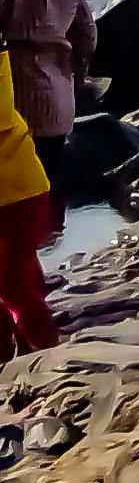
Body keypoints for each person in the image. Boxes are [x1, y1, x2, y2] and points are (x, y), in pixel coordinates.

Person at [0, 0, 92, 220]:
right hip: (55, 101)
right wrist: (76, 82)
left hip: (11, 112)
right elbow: (84, 28)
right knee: (44, 212)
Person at [0, 61, 51, 354]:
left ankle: (40, 356)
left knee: (14, 285)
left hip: (13, 192)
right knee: (19, 278)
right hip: (26, 185)